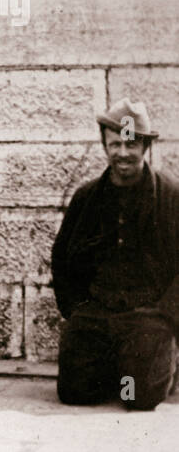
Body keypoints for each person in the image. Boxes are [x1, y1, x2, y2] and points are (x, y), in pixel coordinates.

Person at [51, 99, 179, 410]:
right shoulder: (87, 198)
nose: (123, 153)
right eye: (115, 144)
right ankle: (122, 364)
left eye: (131, 145)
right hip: (98, 311)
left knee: (136, 399)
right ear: (105, 144)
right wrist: (77, 311)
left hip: (147, 314)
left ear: (145, 147)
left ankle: (160, 360)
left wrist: (167, 315)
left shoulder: (170, 195)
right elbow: (62, 258)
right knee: (75, 393)